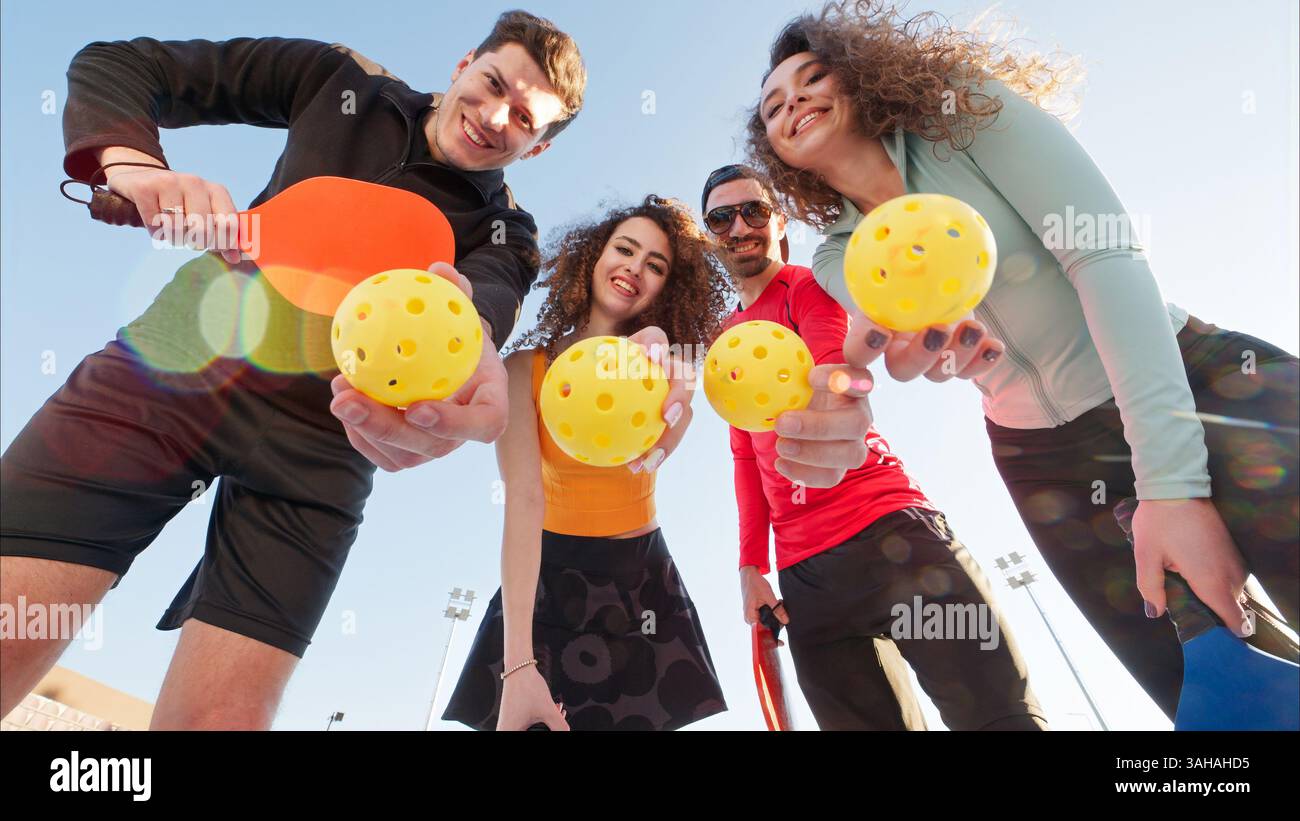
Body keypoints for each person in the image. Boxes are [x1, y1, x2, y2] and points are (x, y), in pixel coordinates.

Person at [0, 11, 589, 729]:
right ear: (465, 61)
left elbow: (484, 305)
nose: (495, 115)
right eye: (493, 82)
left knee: (224, 721)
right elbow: (122, 63)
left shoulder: (511, 236)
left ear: (534, 149)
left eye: (523, 119)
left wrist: (473, 358)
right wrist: (129, 161)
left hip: (325, 447)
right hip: (178, 361)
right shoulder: (338, 77)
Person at [745, 0, 1298, 719]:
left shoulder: (966, 114)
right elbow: (890, 337)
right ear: (776, 151)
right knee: (1223, 705)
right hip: (1050, 466)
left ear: (857, 78)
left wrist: (1171, 483)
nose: (794, 104)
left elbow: (1103, 254)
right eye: (773, 107)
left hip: (1203, 383)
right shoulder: (834, 252)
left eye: (812, 77)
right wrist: (894, 359)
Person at [703, 164, 1045, 730]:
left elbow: (835, 370)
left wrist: (844, 388)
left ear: (777, 221)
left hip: (894, 536)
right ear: (710, 234)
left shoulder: (809, 287)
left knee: (1001, 721)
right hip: (808, 579)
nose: (739, 226)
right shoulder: (723, 338)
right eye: (722, 217)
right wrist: (751, 567)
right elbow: (745, 455)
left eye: (753, 210)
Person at [441, 196, 733, 730]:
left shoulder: (663, 366)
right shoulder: (524, 370)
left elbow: (679, 383)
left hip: (640, 578)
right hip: (545, 580)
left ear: (667, 288)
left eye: (656, 265)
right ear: (595, 257)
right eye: (625, 249)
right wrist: (519, 667)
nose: (635, 268)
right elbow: (524, 501)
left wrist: (671, 379)